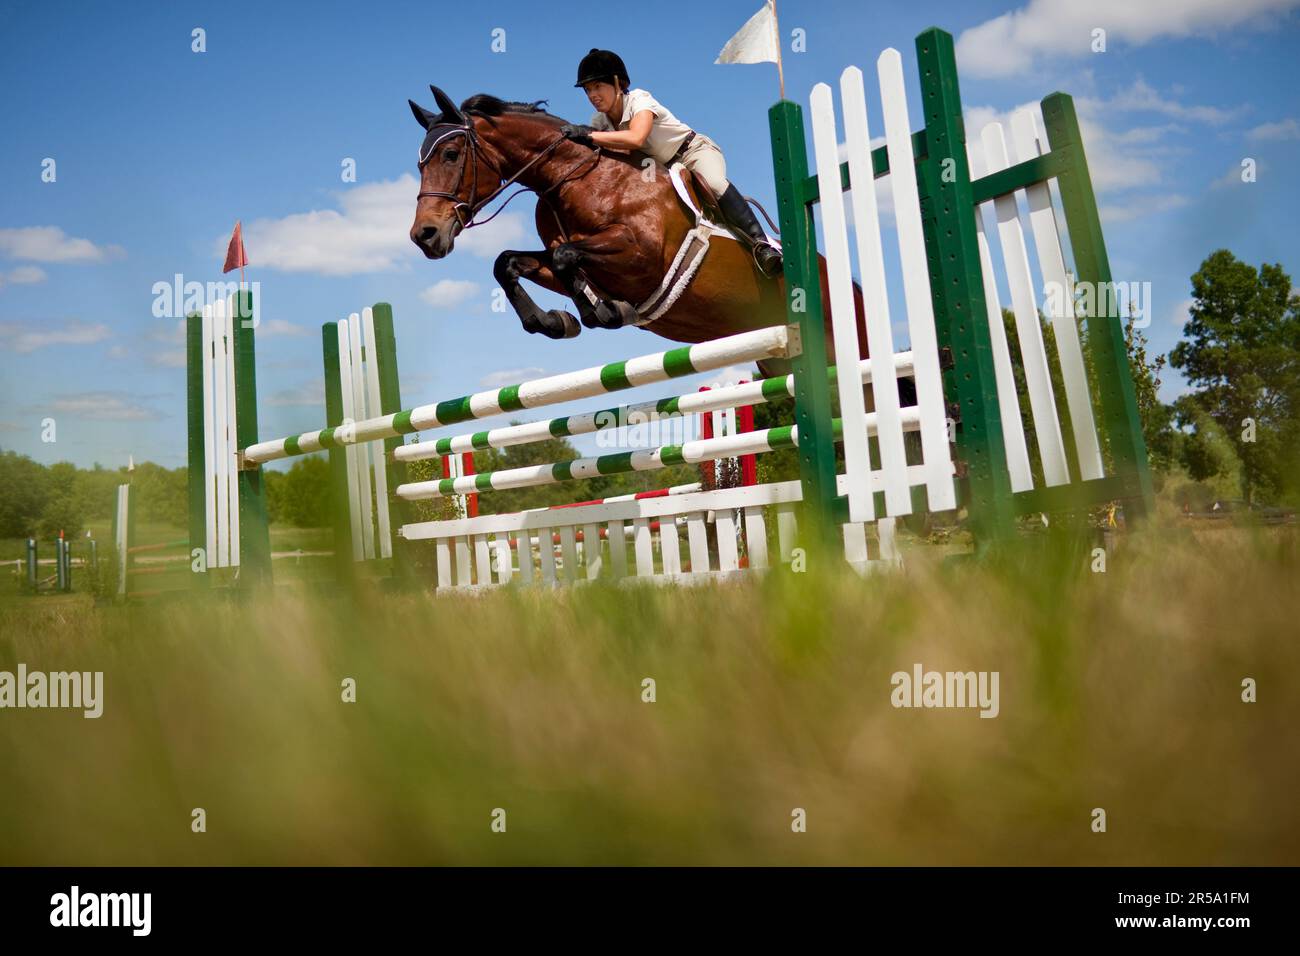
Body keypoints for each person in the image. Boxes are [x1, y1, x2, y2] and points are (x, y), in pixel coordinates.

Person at [559, 48, 783, 277]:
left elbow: (636, 138)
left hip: (692, 152)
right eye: (587, 90)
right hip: (661, 171)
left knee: (715, 183)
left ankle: (762, 244)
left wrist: (588, 136)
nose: (592, 95)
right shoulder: (600, 122)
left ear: (617, 83)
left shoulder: (640, 99)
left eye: (598, 87)